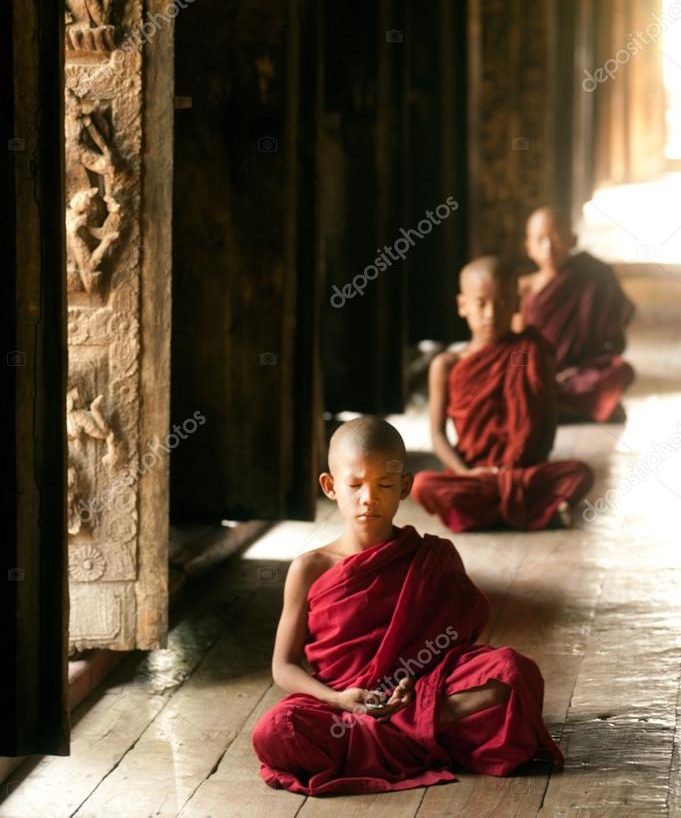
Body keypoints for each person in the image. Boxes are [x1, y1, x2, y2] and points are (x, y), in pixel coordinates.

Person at [252, 416, 564, 796]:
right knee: (276, 731)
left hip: (419, 690)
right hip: (341, 703)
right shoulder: (309, 568)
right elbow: (282, 666)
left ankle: (398, 729)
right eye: (355, 486)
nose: (369, 499)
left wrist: (412, 689)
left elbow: (452, 644)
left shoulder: (432, 556)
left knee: (512, 675)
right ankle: (423, 732)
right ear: (330, 486)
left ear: (404, 487)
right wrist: (338, 699)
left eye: (384, 485)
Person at [411, 256, 593, 531]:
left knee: (579, 473)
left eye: (504, 302)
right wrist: (466, 473)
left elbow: (547, 421)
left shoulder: (524, 353)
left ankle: (492, 508)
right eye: (481, 303)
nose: (491, 314)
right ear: (462, 305)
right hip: (471, 474)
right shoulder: (447, 365)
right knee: (423, 484)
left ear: (518, 304)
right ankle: (526, 508)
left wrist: (519, 472)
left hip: (521, 472)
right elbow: (437, 435)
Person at [518, 207, 635, 422]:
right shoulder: (522, 289)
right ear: (528, 247)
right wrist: (526, 374)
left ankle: (550, 407)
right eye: (539, 240)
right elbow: (515, 344)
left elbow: (617, 343)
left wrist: (577, 370)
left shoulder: (594, 275)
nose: (548, 248)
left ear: (573, 240)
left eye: (556, 238)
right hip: (537, 371)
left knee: (619, 371)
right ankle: (570, 408)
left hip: (578, 373)